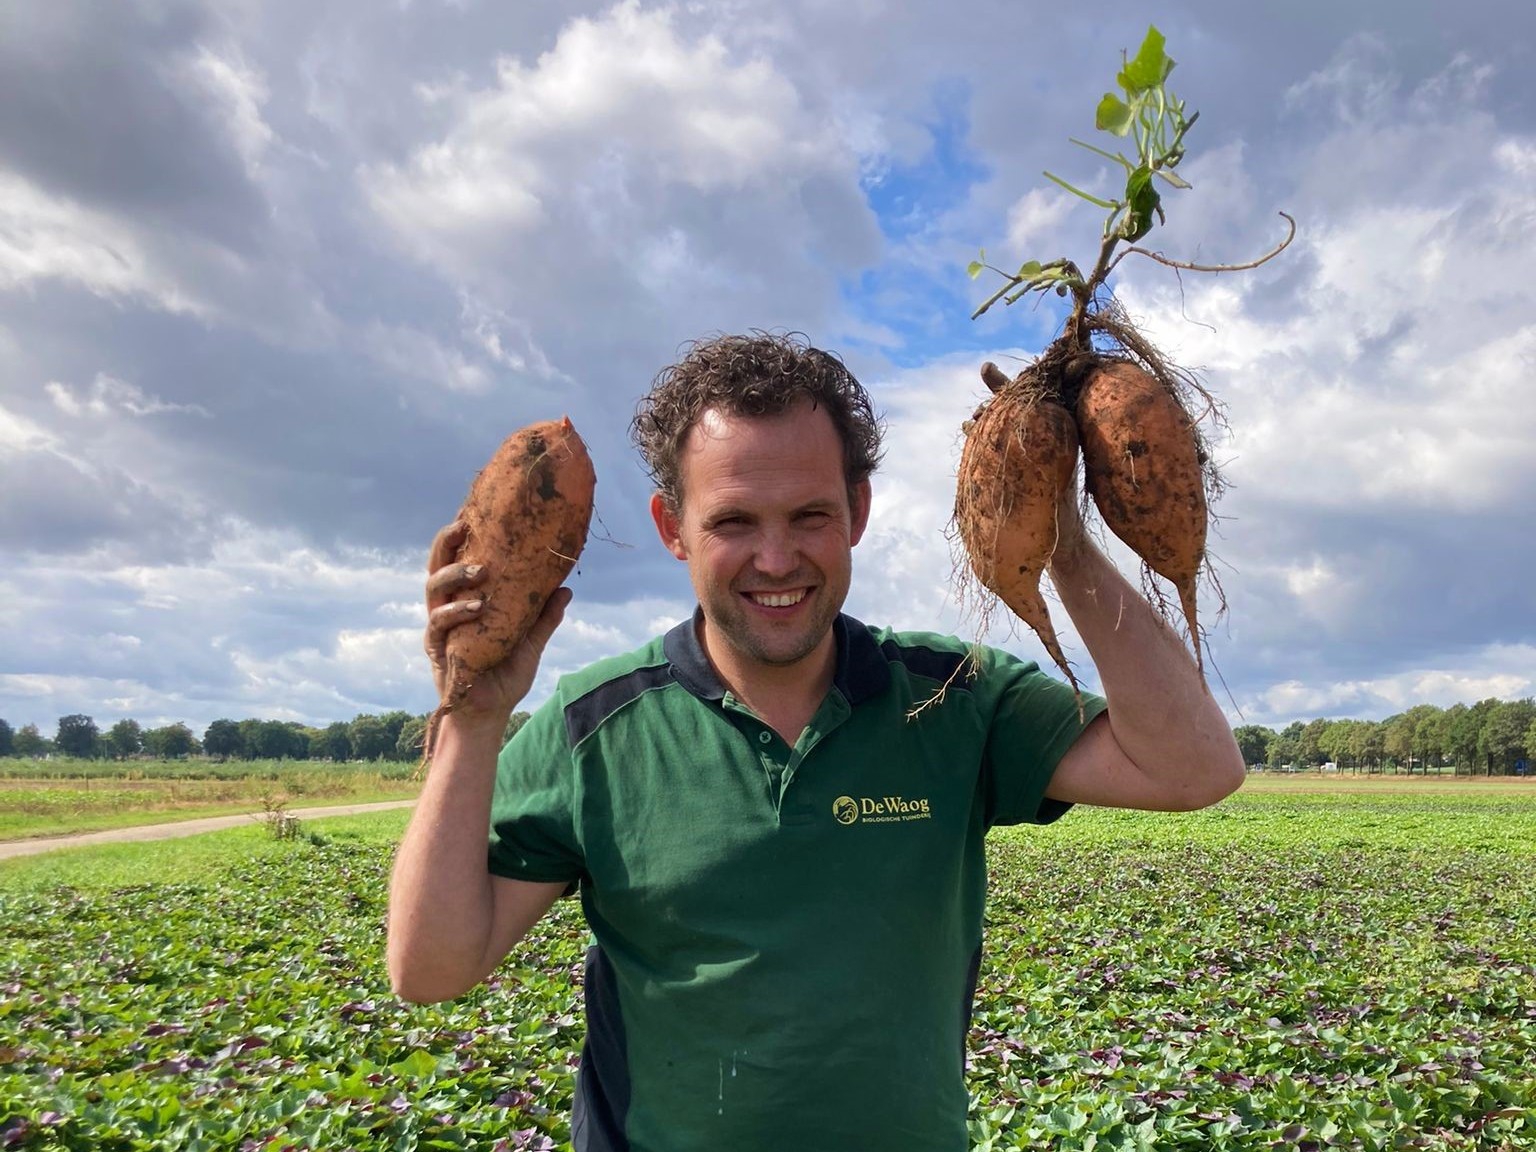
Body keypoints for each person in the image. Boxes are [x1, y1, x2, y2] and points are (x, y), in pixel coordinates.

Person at [388, 332, 1244, 1152]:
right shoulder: (596, 726)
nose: (775, 557)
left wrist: (1059, 544)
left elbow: (1195, 768)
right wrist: (473, 714)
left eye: (809, 515)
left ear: (858, 511)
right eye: (732, 522)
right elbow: (429, 969)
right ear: (671, 526)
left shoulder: (954, 697)